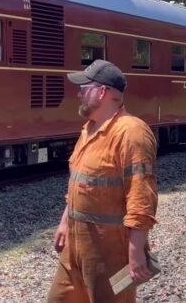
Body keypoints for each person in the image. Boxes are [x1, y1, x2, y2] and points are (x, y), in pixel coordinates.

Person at [48, 59, 158, 303]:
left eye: (83, 88)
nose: (78, 94)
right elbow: (79, 182)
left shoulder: (131, 132)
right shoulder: (89, 129)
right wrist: (65, 221)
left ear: (101, 92)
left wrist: (136, 249)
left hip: (110, 252)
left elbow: (141, 195)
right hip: (74, 251)